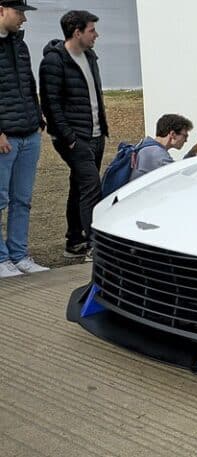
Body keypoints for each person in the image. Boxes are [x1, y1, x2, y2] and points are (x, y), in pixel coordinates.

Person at [39, 10, 107, 262]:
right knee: (91, 187)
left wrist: (102, 129)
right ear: (76, 32)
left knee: (80, 185)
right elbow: (51, 104)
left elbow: (94, 97)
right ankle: (93, 245)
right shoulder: (54, 62)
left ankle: (74, 240)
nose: (96, 35)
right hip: (74, 138)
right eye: (92, 30)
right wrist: (69, 138)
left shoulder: (90, 57)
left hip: (96, 135)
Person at [0, 0, 48, 277]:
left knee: (23, 199)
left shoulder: (20, 45)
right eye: (20, 13)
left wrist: (38, 118)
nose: (24, 19)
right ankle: (1, 259)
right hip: (5, 138)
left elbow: (29, 85)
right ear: (2, 10)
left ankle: (19, 255)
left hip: (29, 132)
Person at [129, 114, 197, 182]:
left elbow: (176, 168)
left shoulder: (147, 146)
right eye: (185, 136)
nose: (186, 140)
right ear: (172, 134)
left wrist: (193, 153)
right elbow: (181, 179)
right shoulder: (155, 154)